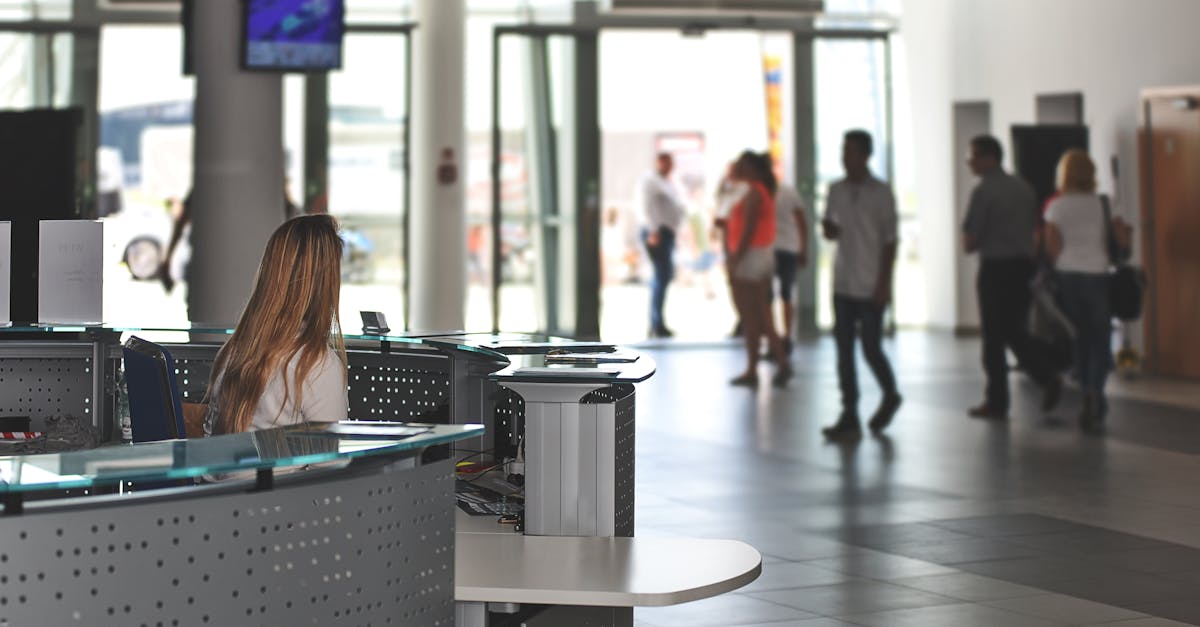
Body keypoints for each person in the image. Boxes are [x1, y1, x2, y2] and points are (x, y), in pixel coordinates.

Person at [204, 214, 348, 436]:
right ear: (325, 283)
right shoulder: (318, 366)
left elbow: (209, 444)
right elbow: (329, 464)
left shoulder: (232, 351)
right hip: (289, 473)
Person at [961, 135, 1062, 419]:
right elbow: (1034, 230)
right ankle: (1045, 375)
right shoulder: (1025, 188)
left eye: (973, 156)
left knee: (994, 336)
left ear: (988, 157)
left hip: (995, 269)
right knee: (1015, 329)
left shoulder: (983, 192)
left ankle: (998, 400)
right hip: (1022, 268)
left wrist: (972, 240)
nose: (970, 162)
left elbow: (970, 240)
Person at [821, 130, 902, 438]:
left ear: (866, 155)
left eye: (852, 152)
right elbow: (831, 230)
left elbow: (890, 241)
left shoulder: (881, 193)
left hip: (870, 283)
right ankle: (849, 412)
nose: (846, 158)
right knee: (844, 352)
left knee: (870, 347)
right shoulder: (836, 189)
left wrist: (884, 284)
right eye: (843, 151)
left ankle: (889, 392)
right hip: (842, 281)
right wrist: (828, 228)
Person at [1043, 150, 1131, 431]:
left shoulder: (1056, 207)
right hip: (1097, 275)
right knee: (1100, 337)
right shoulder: (1104, 204)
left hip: (1068, 277)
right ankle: (1095, 390)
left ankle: (1084, 391)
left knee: (1078, 337)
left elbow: (1052, 249)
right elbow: (1120, 239)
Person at [726, 151, 791, 388]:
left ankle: (765, 366)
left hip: (751, 257)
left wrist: (735, 258)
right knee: (761, 316)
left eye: (742, 165)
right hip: (759, 255)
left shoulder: (754, 193)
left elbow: (748, 230)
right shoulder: (759, 191)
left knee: (755, 317)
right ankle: (768, 364)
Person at [638, 152, 688, 338]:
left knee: (664, 276)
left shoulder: (666, 182)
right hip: (657, 233)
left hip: (665, 233)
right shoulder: (650, 181)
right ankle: (656, 324)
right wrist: (652, 231)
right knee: (661, 276)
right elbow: (644, 206)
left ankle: (658, 322)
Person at [772, 178, 809, 355]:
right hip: (776, 249)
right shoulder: (766, 192)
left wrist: (803, 248)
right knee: (773, 297)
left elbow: (802, 221)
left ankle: (785, 338)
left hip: (785, 248)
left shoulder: (786, 192)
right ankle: (777, 338)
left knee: (785, 295)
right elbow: (802, 222)